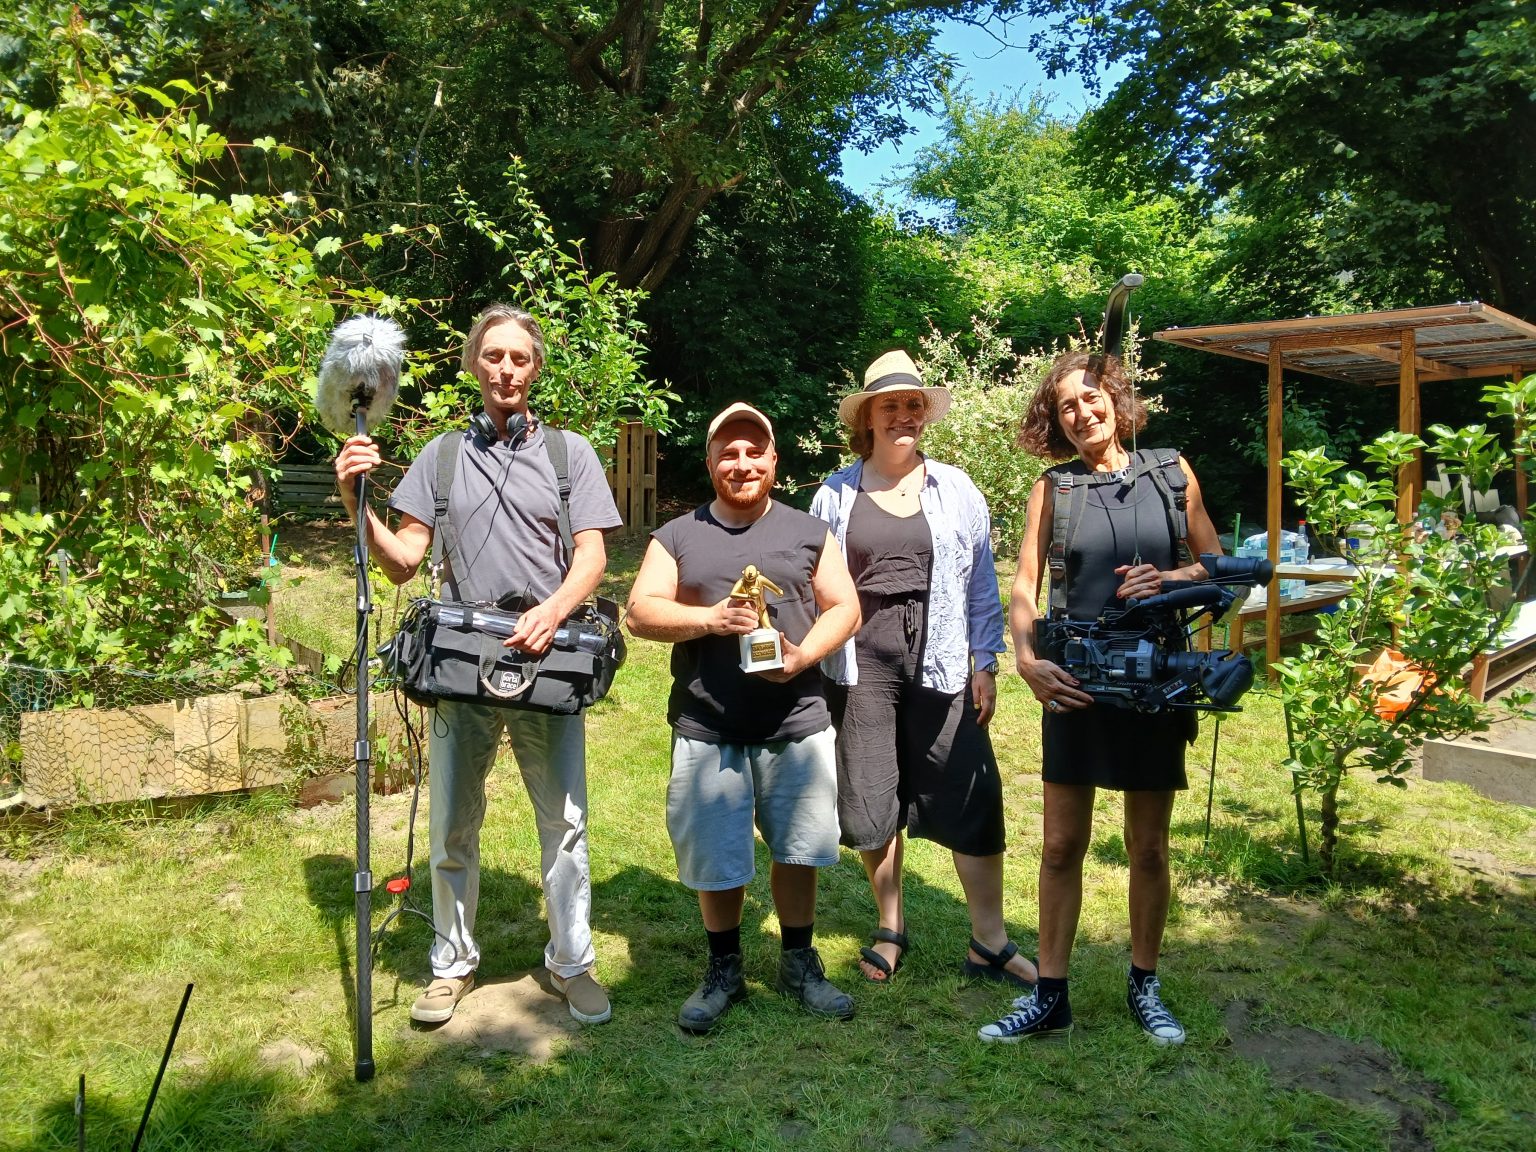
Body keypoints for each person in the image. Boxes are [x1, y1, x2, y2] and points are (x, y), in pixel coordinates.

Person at [333, 303, 622, 1027]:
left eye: (520, 358)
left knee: (565, 823)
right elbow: (402, 562)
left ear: (535, 368)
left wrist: (554, 610)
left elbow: (592, 553)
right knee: (452, 827)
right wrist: (352, 497)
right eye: (493, 356)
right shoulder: (441, 456)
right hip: (462, 664)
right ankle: (450, 966)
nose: (506, 370)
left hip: (547, 658)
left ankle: (572, 964)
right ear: (474, 365)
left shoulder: (569, 453)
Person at [978, 349, 1222, 1046]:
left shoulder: (1172, 473)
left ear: (1115, 399)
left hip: (1154, 681)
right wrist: (1026, 658)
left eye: (1090, 398)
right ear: (1055, 422)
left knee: (1147, 847)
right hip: (1075, 681)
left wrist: (1171, 580)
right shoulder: (1053, 488)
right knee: (1059, 846)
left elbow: (1220, 567)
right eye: (1066, 407)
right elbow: (1023, 587)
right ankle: (1051, 996)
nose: (1082, 413)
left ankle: (1145, 985)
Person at [625, 402, 863, 1033]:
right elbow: (641, 611)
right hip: (710, 725)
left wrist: (804, 654)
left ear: (773, 460)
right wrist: (709, 619)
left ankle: (798, 960)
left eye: (754, 451)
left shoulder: (810, 531)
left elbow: (846, 606)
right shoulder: (677, 535)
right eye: (728, 452)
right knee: (718, 853)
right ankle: (723, 967)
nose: (742, 462)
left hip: (797, 719)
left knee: (800, 849)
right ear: (710, 463)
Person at [811, 351, 1035, 989]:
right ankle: (890, 925)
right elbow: (813, 582)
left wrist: (984, 661)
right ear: (869, 418)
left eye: (913, 405)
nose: (904, 416)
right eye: (891, 406)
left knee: (968, 788)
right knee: (870, 791)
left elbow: (980, 584)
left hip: (940, 652)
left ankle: (989, 940)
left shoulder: (957, 488)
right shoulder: (834, 492)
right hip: (859, 658)